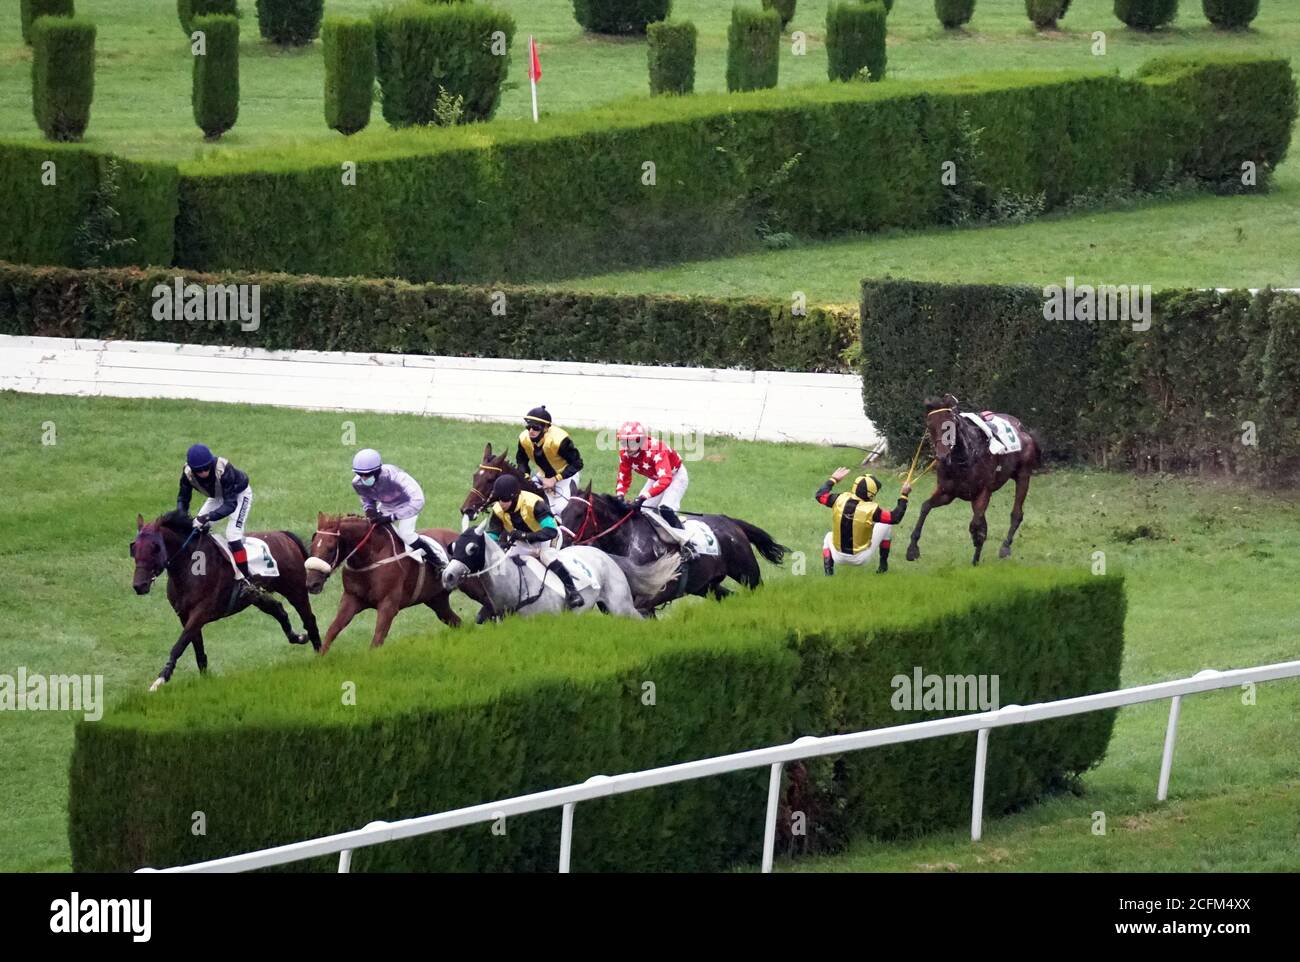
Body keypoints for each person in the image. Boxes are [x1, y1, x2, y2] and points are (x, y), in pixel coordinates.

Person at [486, 475, 584, 610]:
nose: (501, 504)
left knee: (547, 557)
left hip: (547, 538)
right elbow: (492, 535)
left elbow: (551, 531)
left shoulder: (534, 504)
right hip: (523, 541)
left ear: (514, 497)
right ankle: (493, 604)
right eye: (499, 499)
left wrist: (525, 535)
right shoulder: (498, 509)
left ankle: (573, 591)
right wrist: (494, 545)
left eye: (504, 500)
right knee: (504, 563)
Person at [350, 449, 442, 575]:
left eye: (368, 474)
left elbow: (418, 500)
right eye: (361, 474)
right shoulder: (357, 483)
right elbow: (366, 498)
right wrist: (370, 510)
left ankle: (437, 561)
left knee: (406, 534)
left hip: (408, 504)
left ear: (377, 471)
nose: (364, 478)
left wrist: (392, 517)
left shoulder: (396, 477)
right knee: (372, 529)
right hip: (387, 505)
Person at [177, 443, 255, 580]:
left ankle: (247, 579)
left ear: (211, 463)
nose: (203, 473)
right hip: (218, 496)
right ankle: (203, 570)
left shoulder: (223, 468)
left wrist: (207, 517)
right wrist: (180, 518)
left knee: (232, 535)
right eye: (198, 471)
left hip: (239, 495)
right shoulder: (187, 473)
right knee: (196, 529)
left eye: (206, 469)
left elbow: (231, 504)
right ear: (192, 469)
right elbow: (183, 498)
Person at [815, 468, 911, 575]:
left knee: (828, 536)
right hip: (861, 559)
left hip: (838, 556)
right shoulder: (872, 510)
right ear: (871, 494)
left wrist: (833, 479)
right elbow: (894, 518)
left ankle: (828, 572)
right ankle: (883, 566)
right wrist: (904, 495)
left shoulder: (838, 499)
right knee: (885, 525)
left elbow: (820, 495)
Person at [613, 421, 691, 547]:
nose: (626, 447)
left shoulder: (656, 449)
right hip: (656, 478)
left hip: (675, 476)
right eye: (623, 442)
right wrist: (620, 495)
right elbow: (624, 476)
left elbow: (665, 479)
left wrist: (645, 496)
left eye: (630, 443)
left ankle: (687, 545)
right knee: (643, 511)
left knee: (666, 508)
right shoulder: (625, 454)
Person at [516, 405, 584, 512]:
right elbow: (521, 460)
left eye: (536, 428)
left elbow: (578, 463)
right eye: (528, 427)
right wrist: (526, 477)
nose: (531, 431)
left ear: (546, 428)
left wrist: (554, 479)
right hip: (542, 475)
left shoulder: (560, 441)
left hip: (565, 477)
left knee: (559, 509)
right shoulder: (523, 439)